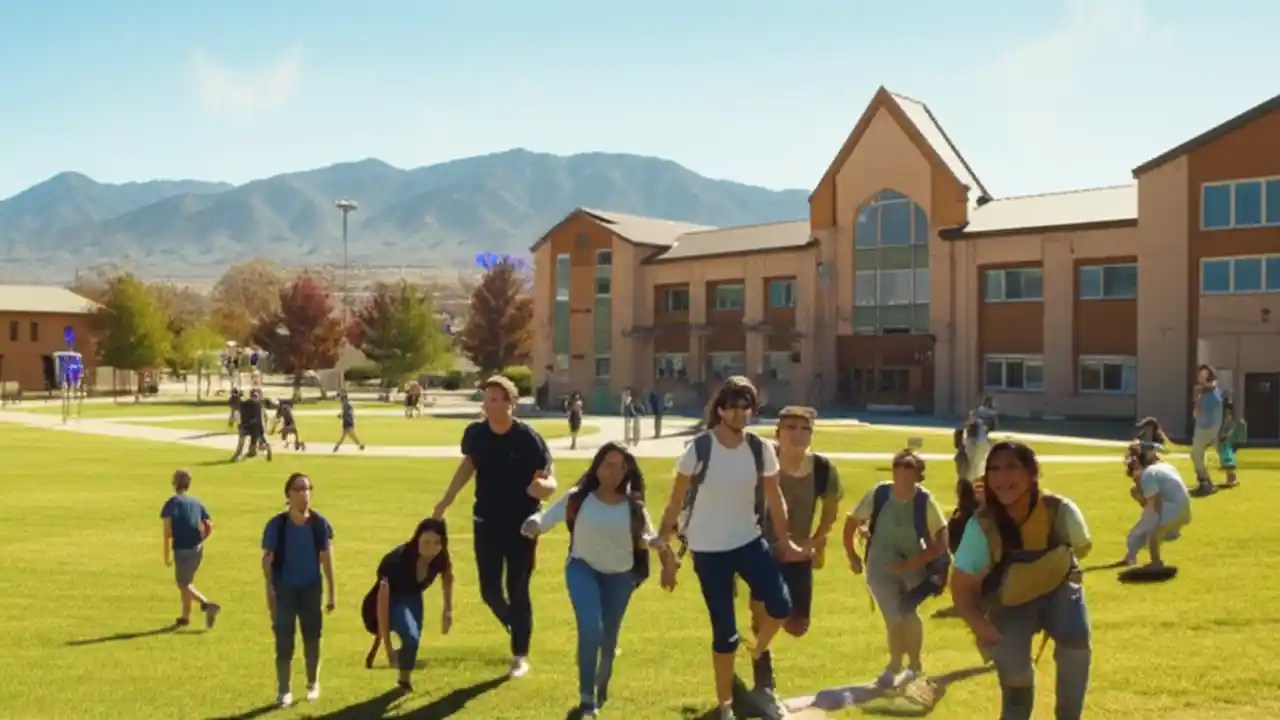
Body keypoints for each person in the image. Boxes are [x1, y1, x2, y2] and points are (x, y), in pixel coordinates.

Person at [654, 376, 804, 720]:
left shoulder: (759, 448)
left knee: (781, 605)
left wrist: (785, 539)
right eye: (733, 407)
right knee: (725, 632)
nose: (740, 413)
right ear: (720, 411)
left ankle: (758, 649)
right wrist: (663, 536)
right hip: (709, 550)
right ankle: (726, 706)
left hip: (748, 540)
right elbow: (676, 499)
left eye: (746, 407)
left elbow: (775, 497)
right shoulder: (700, 448)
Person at [522, 441, 675, 718]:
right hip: (582, 569)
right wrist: (533, 524)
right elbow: (546, 518)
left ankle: (600, 682)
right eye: (608, 465)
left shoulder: (634, 506)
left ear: (627, 472)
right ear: (597, 467)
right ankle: (586, 698)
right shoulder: (578, 498)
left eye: (620, 467)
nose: (614, 472)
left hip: (620, 577)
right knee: (590, 627)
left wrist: (657, 545)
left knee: (608, 638)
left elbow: (645, 537)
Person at [950, 441, 1093, 720]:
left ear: (1032, 473)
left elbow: (1081, 547)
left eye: (1011, 467)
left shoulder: (1060, 511)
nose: (1002, 477)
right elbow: (961, 589)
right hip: (1008, 605)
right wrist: (982, 627)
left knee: (1076, 646)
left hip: (1059, 593)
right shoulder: (982, 527)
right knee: (1016, 687)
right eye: (994, 469)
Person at [432, 375, 557, 678]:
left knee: (518, 587)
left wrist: (544, 488)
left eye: (501, 399)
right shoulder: (476, 434)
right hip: (486, 521)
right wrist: (446, 500)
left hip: (522, 524)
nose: (495, 405)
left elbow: (548, 477)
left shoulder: (528, 439)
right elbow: (469, 465)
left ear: (512, 403)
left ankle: (519, 655)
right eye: (490, 399)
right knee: (489, 591)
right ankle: (517, 625)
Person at [748, 406, 841, 713]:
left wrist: (814, 543)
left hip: (800, 554)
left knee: (797, 625)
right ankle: (763, 681)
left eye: (805, 429)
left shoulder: (823, 469)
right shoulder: (763, 465)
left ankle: (756, 644)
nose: (798, 434)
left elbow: (830, 511)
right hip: (762, 550)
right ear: (777, 433)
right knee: (764, 614)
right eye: (790, 427)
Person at [843, 449, 948, 689]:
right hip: (880, 564)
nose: (901, 471)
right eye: (897, 465)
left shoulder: (924, 500)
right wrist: (852, 555)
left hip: (914, 564)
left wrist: (913, 563)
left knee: (908, 613)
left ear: (918, 475)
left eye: (908, 467)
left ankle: (914, 664)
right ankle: (894, 665)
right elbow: (851, 522)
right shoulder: (879, 493)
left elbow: (941, 540)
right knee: (893, 615)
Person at [261, 473, 336, 708]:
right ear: (288, 494)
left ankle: (312, 683)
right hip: (284, 591)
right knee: (284, 641)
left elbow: (327, 559)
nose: (304, 494)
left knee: (312, 638)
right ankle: (284, 691)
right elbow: (267, 564)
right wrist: (270, 593)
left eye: (307, 489)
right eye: (299, 489)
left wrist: (332, 592)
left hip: (311, 589)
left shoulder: (320, 524)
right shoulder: (277, 525)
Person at [362, 518, 454, 692]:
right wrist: (388, 647)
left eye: (436, 543)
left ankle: (404, 680)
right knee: (411, 637)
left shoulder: (439, 557)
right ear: (417, 539)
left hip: (413, 595)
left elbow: (447, 575)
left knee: (413, 641)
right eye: (426, 542)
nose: (431, 548)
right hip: (386, 602)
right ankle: (402, 668)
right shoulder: (395, 562)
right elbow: (382, 602)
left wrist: (447, 610)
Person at [160, 469, 221, 628]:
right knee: (187, 581)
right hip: (197, 548)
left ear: (174, 483)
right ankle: (185, 616)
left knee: (183, 584)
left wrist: (166, 554)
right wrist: (202, 538)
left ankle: (207, 605)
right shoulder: (197, 502)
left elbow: (167, 531)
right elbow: (209, 523)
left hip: (182, 549)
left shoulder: (171, 504)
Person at [1122, 442, 1192, 568]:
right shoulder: (1166, 466)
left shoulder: (1148, 474)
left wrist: (1140, 498)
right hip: (1185, 511)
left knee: (1151, 532)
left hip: (1172, 510)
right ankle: (1131, 556)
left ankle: (1156, 563)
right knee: (1144, 530)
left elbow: (1154, 503)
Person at [1190, 365, 1223, 496]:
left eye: (1203, 374)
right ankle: (1205, 481)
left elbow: (1198, 413)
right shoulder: (1210, 392)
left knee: (1196, 454)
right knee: (1199, 454)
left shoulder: (1210, 394)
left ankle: (1205, 482)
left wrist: (1197, 401)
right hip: (1207, 427)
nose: (1200, 377)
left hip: (1205, 428)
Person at [232, 389, 272, 462]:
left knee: (242, 441)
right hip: (257, 425)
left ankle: (237, 455)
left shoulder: (245, 404)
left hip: (247, 425)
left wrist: (239, 424)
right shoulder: (259, 405)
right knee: (259, 439)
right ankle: (264, 448)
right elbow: (264, 417)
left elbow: (240, 414)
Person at [1218, 400, 1246, 488]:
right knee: (1225, 461)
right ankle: (1229, 479)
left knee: (1228, 461)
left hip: (1228, 443)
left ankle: (1232, 478)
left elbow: (1231, 430)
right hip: (1224, 443)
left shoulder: (1231, 419)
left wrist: (1225, 436)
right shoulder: (1225, 419)